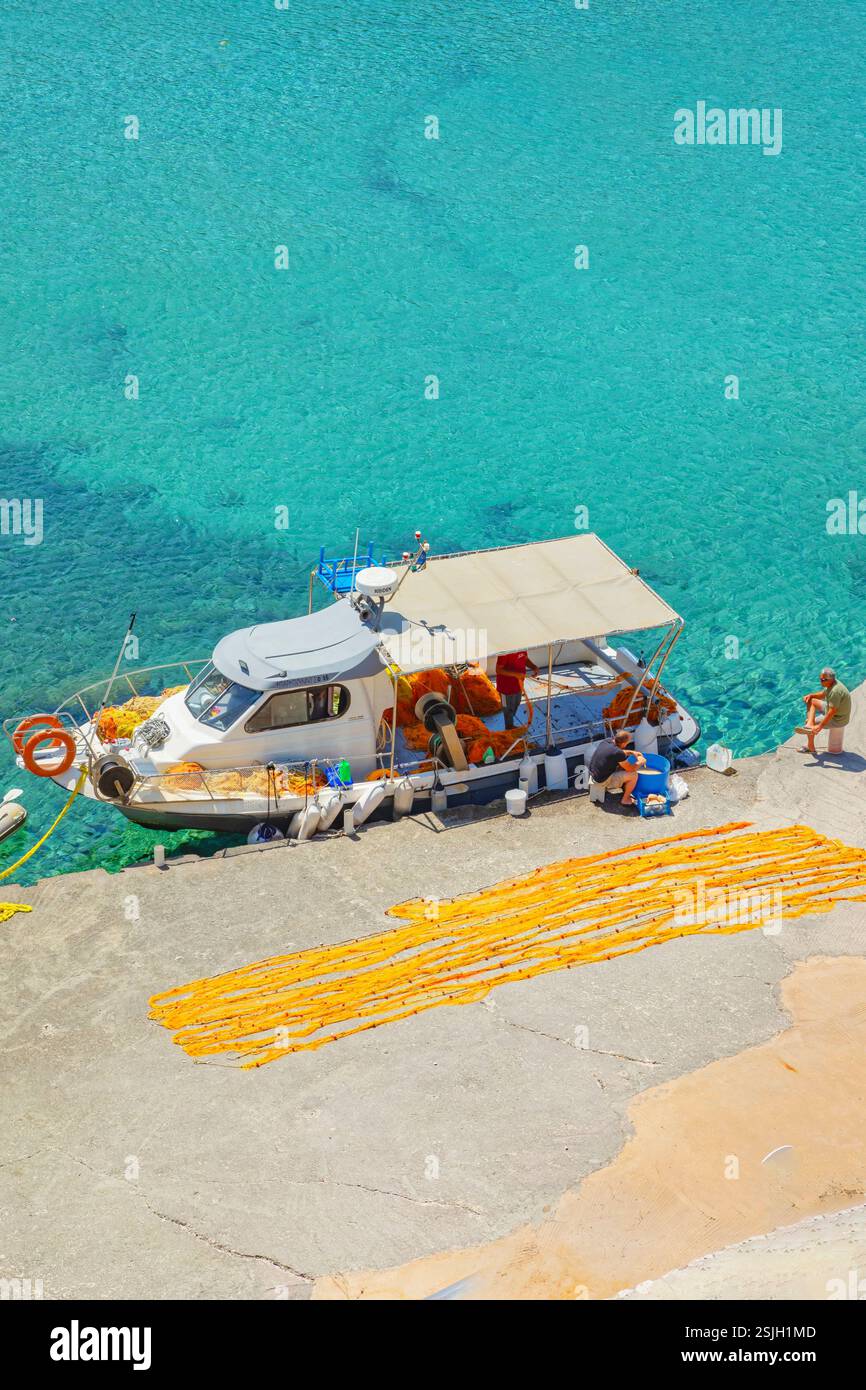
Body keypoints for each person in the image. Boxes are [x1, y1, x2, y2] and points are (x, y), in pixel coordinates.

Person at [796, 667, 852, 755]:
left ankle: (811, 747)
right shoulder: (832, 683)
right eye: (820, 679)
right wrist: (811, 695)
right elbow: (823, 694)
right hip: (833, 709)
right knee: (811, 700)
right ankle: (809, 724)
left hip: (838, 719)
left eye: (823, 680)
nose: (821, 681)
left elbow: (832, 712)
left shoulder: (835, 691)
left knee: (811, 723)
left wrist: (819, 727)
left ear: (831, 679)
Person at [589, 728, 646, 808]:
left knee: (622, 767)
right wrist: (641, 762)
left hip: (594, 774)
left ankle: (624, 788)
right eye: (627, 743)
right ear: (623, 744)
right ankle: (625, 799)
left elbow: (617, 751)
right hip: (601, 780)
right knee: (634, 775)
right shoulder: (618, 754)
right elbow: (631, 769)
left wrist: (632, 752)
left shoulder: (607, 741)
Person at [495, 650, 540, 729]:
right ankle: (509, 727)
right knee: (507, 709)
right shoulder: (505, 652)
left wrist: (534, 667)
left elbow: (525, 659)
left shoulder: (521, 646)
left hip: (518, 686)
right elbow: (498, 670)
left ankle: (510, 723)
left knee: (516, 704)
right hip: (505, 689)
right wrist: (515, 674)